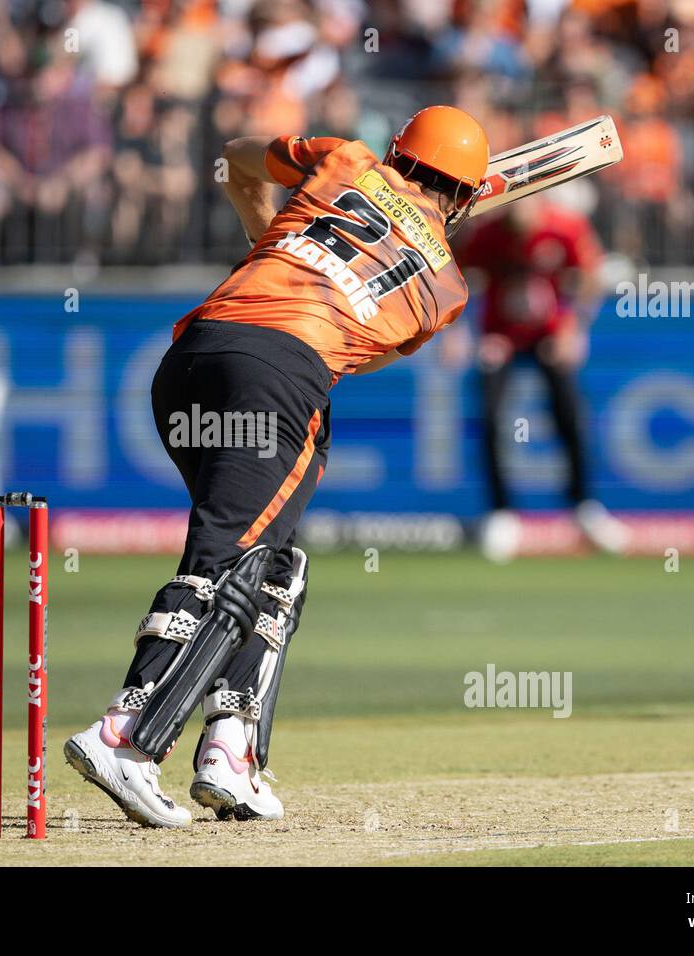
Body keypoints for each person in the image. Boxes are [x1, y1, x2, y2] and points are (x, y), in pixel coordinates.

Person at [65, 106, 486, 827]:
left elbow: (235, 156)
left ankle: (230, 752)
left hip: (192, 361)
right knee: (226, 562)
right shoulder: (446, 290)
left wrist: (282, 245)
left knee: (272, 568)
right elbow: (360, 352)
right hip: (278, 379)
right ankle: (125, 737)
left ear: (396, 150)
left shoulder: (345, 159)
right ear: (470, 199)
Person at [449, 192, 628, 561]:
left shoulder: (565, 227)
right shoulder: (488, 234)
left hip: (549, 333)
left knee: (571, 415)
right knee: (492, 417)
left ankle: (583, 507)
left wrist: (574, 328)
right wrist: (456, 330)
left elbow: (592, 276)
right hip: (501, 336)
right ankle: (501, 513)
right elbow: (453, 276)